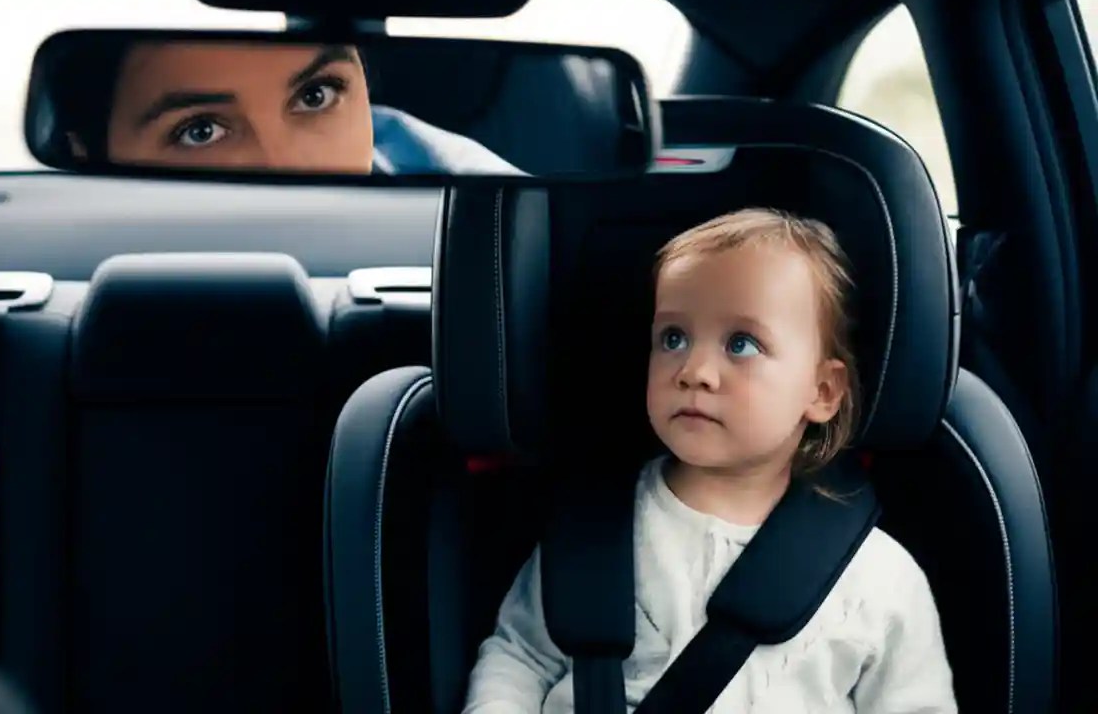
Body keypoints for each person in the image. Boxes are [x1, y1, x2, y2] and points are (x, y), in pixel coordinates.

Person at [460, 208, 957, 713]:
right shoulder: (590, 531)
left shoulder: (878, 579)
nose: (694, 371)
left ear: (822, 390)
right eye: (673, 338)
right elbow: (520, 658)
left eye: (742, 344)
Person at [51, 39, 524, 175]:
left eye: (315, 96)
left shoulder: (488, 208)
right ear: (90, 157)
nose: (285, 165)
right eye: (199, 130)